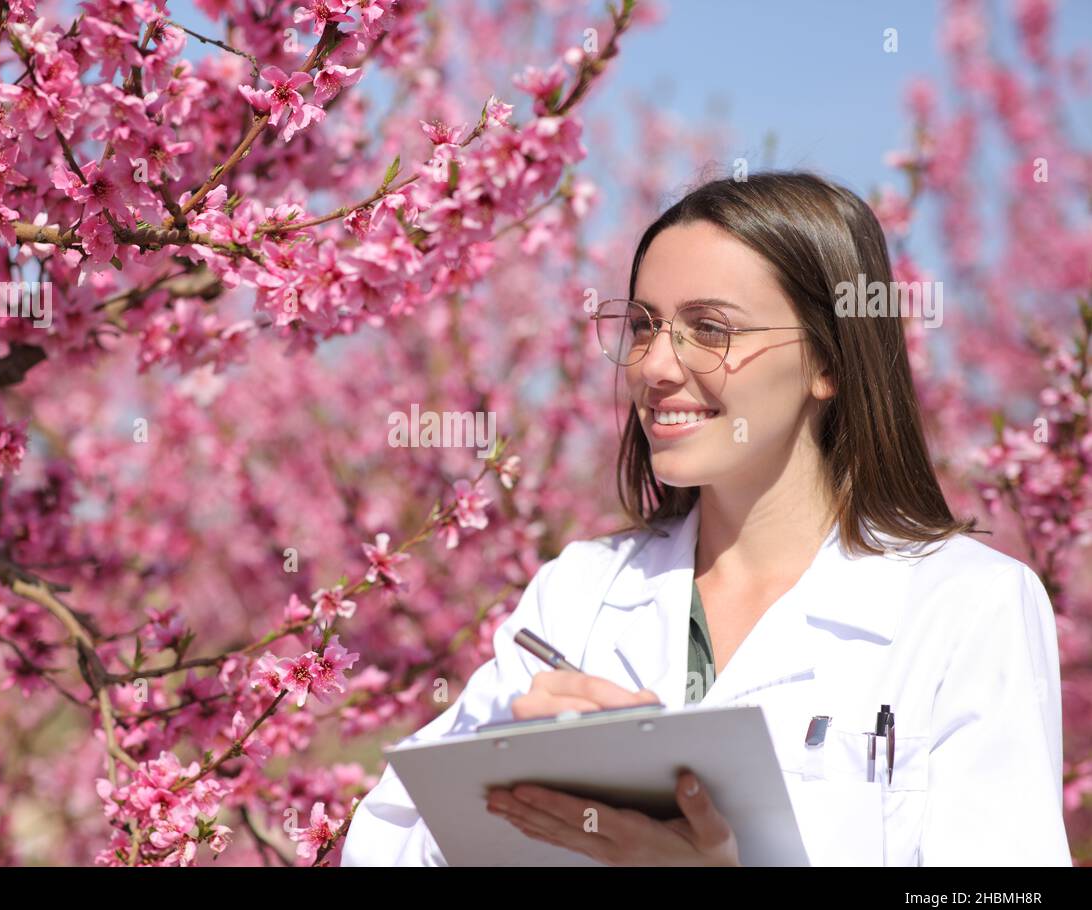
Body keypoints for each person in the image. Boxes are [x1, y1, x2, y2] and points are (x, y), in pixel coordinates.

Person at [340, 171, 1071, 867]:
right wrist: (505, 764)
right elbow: (381, 846)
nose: (656, 366)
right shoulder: (579, 594)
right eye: (644, 326)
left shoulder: (967, 605)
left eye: (710, 329)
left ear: (830, 360)